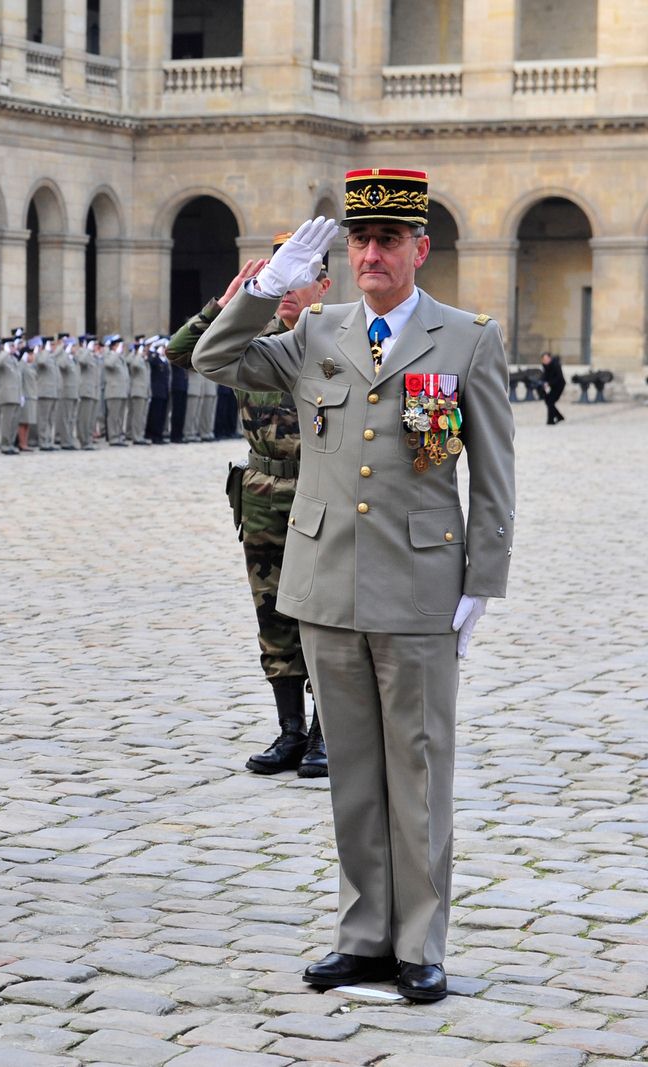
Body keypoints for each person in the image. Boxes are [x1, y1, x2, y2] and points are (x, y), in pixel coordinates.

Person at [193, 169, 516, 1003]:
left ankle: (419, 942)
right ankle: (364, 933)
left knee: (418, 768)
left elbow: (491, 472)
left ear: (420, 247)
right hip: (327, 583)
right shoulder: (318, 332)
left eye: (387, 240)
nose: (371, 254)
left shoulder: (464, 338)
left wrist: (482, 579)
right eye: (359, 242)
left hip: (419, 586)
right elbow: (215, 357)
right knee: (353, 777)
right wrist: (265, 288)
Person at [169, 232, 333, 778]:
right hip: (263, 495)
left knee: (323, 617)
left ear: (324, 285)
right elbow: (180, 353)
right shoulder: (250, 337)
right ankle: (289, 731)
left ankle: (323, 734)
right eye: (281, 277)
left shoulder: (336, 339)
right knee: (273, 617)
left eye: (300, 276)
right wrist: (230, 300)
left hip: (320, 496)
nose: (288, 290)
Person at [540, 351, 565, 424]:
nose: (545, 361)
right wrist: (543, 383)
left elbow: (558, 377)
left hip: (559, 385)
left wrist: (548, 383)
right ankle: (559, 417)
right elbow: (545, 376)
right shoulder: (545, 366)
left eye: (546, 359)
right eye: (544, 359)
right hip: (551, 385)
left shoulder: (556, 365)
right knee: (548, 401)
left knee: (550, 402)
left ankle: (551, 421)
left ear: (550, 358)